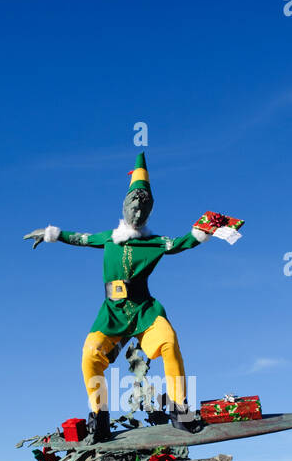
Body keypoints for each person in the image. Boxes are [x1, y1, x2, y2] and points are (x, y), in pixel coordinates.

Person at [24, 153, 217, 441]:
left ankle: (179, 410)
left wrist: (207, 226)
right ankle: (99, 417)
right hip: (112, 313)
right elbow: (80, 238)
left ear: (150, 211)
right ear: (124, 206)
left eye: (145, 207)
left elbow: (180, 243)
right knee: (90, 354)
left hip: (144, 310)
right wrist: (53, 234)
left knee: (168, 341)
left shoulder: (154, 243)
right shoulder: (109, 238)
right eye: (134, 205)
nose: (138, 212)